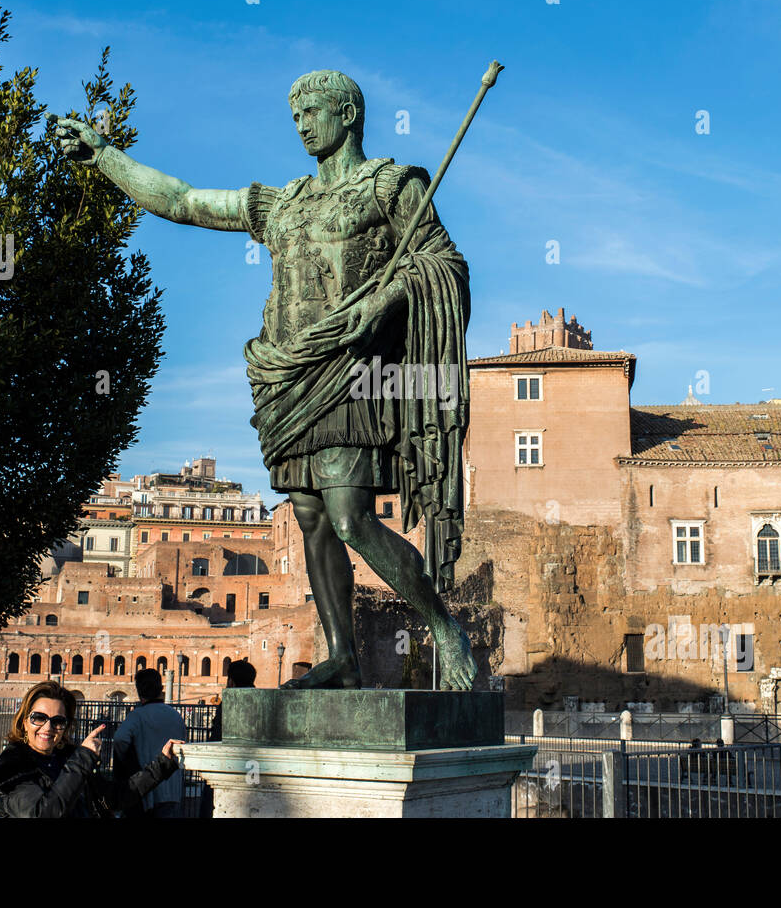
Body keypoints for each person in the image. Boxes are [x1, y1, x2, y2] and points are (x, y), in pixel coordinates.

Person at [53, 69, 477, 690]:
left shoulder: (391, 188)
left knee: (351, 516)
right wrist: (105, 156)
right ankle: (342, 656)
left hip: (350, 374)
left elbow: (444, 265)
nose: (302, 124)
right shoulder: (284, 203)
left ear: (349, 114)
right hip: (287, 376)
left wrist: (382, 305)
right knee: (310, 517)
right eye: (295, 115)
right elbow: (184, 201)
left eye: (313, 111)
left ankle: (441, 625)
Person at [0, 680, 184, 818]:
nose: (48, 728)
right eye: (39, 718)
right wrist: (83, 758)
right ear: (24, 721)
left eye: (58, 721)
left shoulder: (67, 759)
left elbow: (114, 798)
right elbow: (44, 812)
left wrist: (162, 764)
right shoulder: (11, 770)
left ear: (66, 726)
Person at [113, 669, 188, 818]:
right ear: (161, 689)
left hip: (147, 793)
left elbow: (119, 739)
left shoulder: (137, 716)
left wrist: (127, 766)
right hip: (173, 791)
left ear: (139, 690)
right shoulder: (176, 715)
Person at [200, 659, 257, 818]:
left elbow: (216, 737)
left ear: (231, 681)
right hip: (254, 768)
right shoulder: (260, 700)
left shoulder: (228, 703)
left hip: (226, 768)